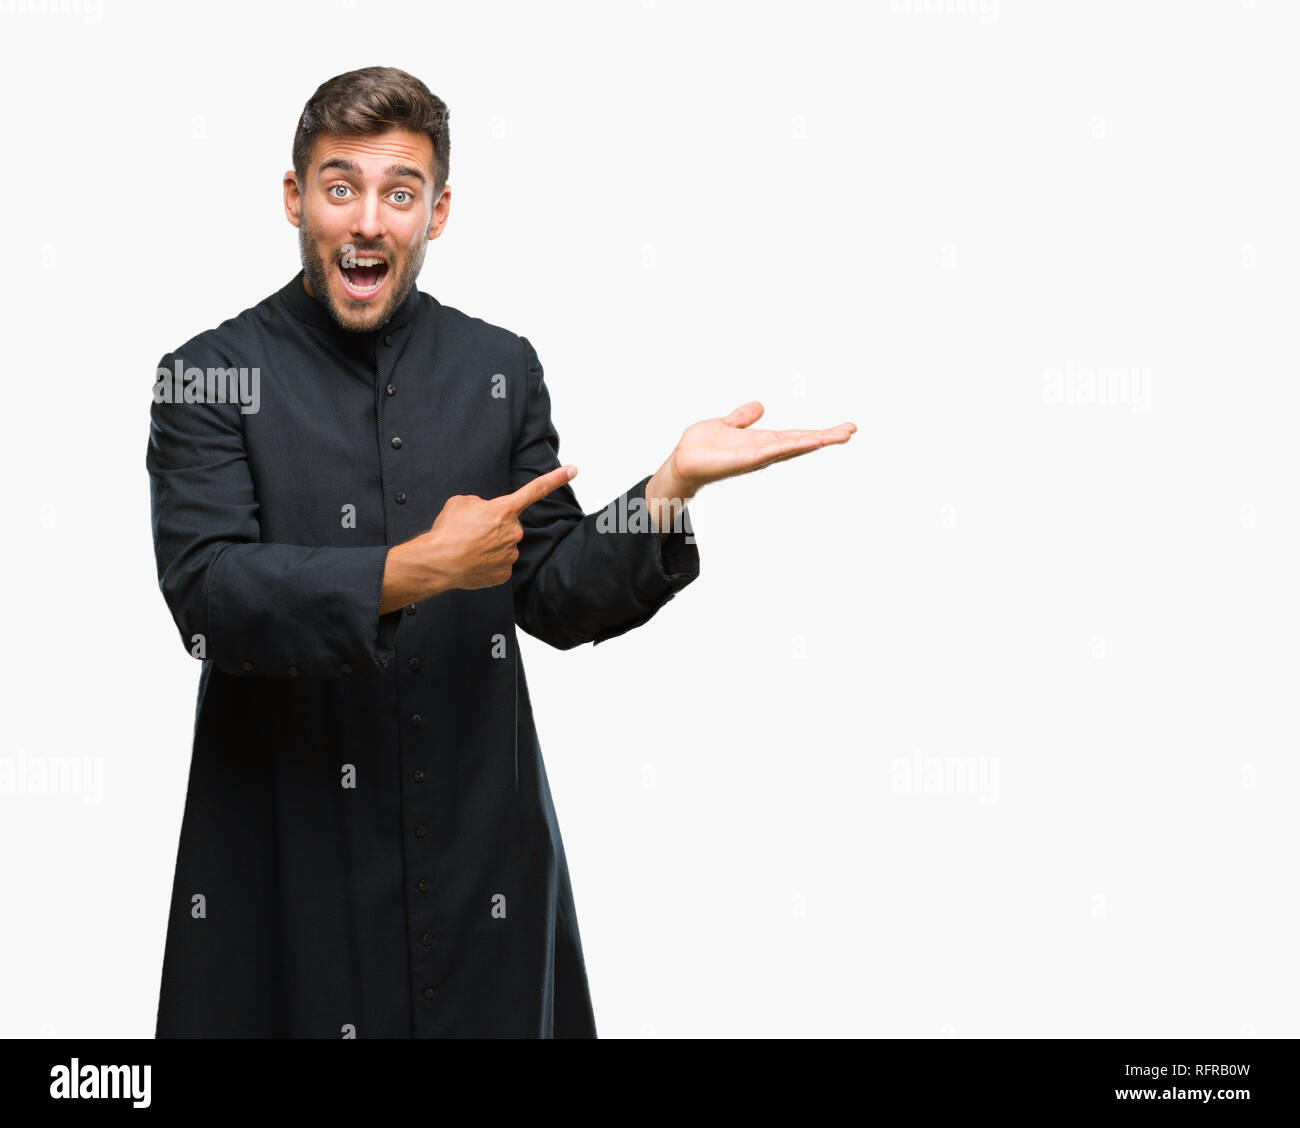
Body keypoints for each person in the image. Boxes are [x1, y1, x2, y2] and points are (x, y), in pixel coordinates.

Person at [146, 65, 856, 1038]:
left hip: (478, 862)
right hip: (285, 850)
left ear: (436, 214)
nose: (367, 221)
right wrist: (418, 569)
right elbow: (208, 595)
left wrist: (666, 491)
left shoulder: (498, 368)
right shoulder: (206, 377)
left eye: (399, 193)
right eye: (339, 184)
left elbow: (555, 596)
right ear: (293, 197)